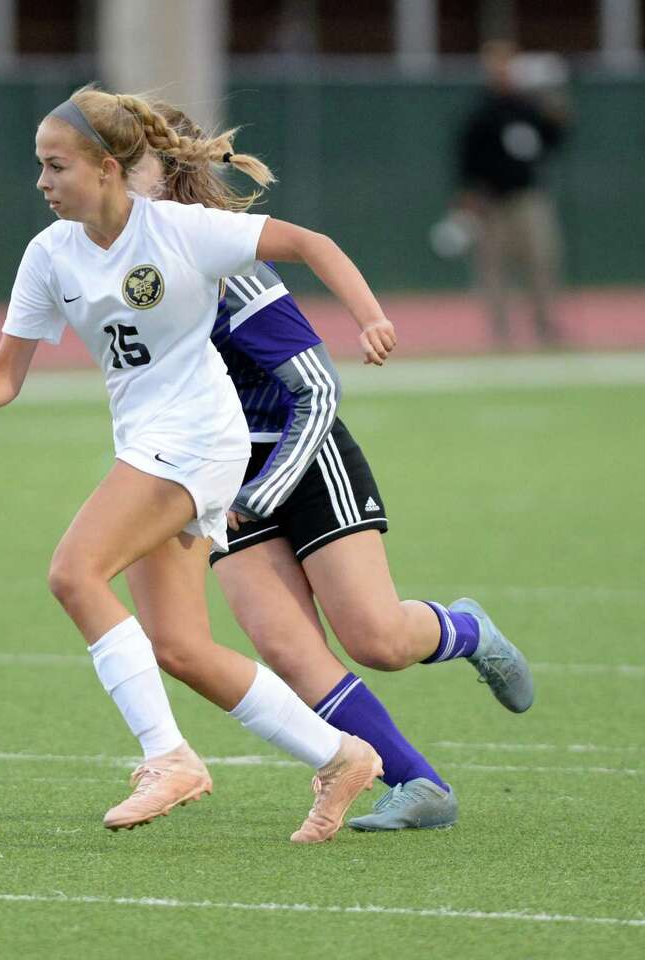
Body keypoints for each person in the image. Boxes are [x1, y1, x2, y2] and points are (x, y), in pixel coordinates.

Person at [0, 85, 385, 843]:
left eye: (55, 166)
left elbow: (311, 245)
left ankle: (169, 758)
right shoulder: (49, 255)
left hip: (200, 436)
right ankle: (340, 758)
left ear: (105, 167)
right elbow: (4, 377)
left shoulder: (180, 231)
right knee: (181, 648)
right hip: (151, 444)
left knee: (74, 573)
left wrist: (370, 318)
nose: (41, 182)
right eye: (39, 166)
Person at [125, 102, 535, 830]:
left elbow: (317, 388)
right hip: (223, 477)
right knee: (287, 649)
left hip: (302, 454)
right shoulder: (118, 270)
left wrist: (267, 486)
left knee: (376, 640)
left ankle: (466, 629)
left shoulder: (227, 266)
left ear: (163, 171)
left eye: (120, 163)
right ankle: (418, 785)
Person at [456, 40, 570, 348]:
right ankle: (501, 335)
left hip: (528, 198)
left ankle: (547, 329)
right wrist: (468, 197)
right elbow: (466, 158)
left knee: (542, 263)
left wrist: (557, 112)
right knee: (493, 270)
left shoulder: (529, 108)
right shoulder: (480, 112)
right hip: (492, 202)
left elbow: (554, 140)